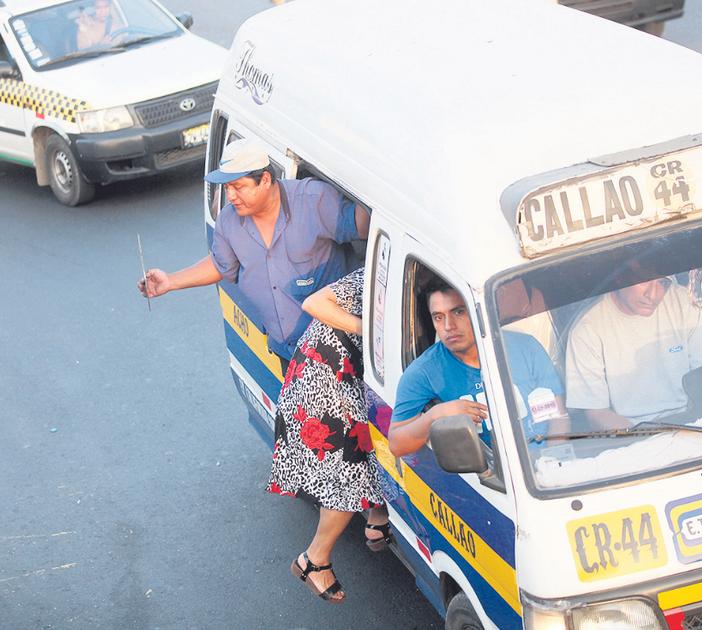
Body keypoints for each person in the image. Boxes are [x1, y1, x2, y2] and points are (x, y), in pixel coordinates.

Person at [139, 139, 369, 363]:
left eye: (238, 187)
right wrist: (170, 281)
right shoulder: (229, 221)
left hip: (338, 348)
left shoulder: (312, 199)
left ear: (265, 179)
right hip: (287, 352)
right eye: (227, 188)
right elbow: (221, 264)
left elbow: (362, 226)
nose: (230, 196)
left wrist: (368, 172)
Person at [268, 268, 389, 604]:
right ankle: (314, 560)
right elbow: (314, 302)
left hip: (351, 379)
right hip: (324, 380)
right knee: (349, 472)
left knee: (371, 451)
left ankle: (376, 518)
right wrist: (371, 331)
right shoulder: (377, 271)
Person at [388, 281, 567, 457]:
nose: (448, 326)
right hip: (488, 479)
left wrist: (553, 462)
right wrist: (435, 416)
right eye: (438, 317)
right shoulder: (424, 371)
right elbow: (396, 444)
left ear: (478, 311)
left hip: (543, 466)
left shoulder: (526, 348)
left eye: (458, 312)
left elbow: (559, 418)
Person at [565, 270, 702, 431]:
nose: (653, 294)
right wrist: (644, 437)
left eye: (663, 283)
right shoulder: (586, 329)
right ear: (619, 277)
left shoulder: (685, 303)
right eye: (644, 280)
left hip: (696, 424)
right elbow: (597, 414)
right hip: (632, 435)